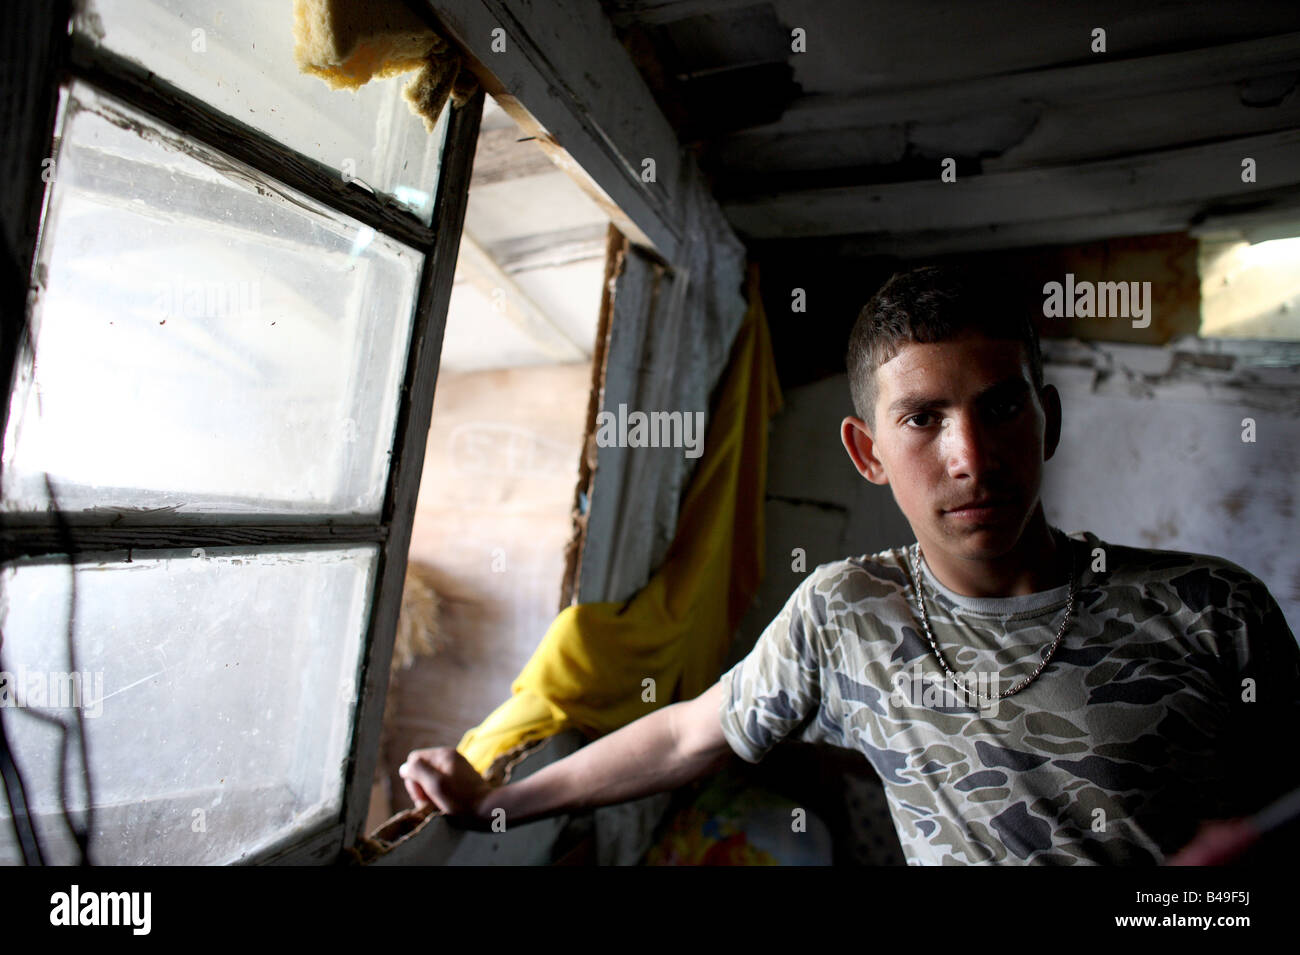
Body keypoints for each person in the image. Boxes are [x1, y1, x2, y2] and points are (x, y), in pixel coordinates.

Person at [400, 265, 1300, 865]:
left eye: (1001, 409)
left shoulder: (1212, 608)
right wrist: (496, 804)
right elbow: (684, 733)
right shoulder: (846, 615)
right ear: (867, 451)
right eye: (923, 419)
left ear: (1049, 419)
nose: (972, 458)